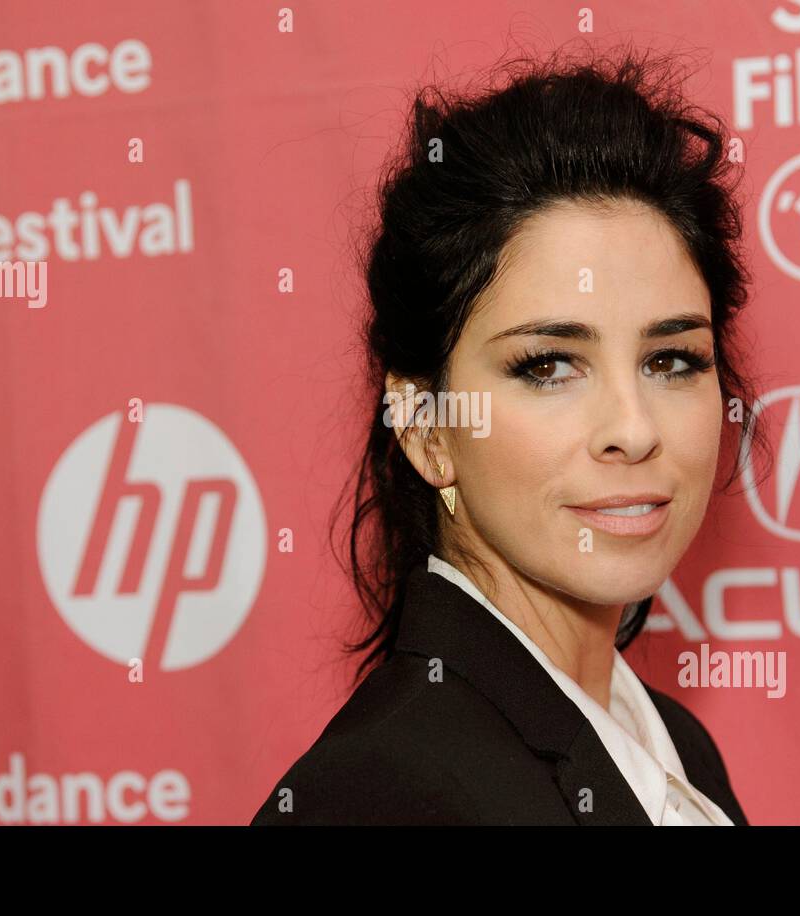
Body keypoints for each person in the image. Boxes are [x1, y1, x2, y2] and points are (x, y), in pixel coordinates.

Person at [251, 44, 772, 826]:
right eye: (549, 366)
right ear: (428, 429)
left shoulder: (675, 748)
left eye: (671, 360)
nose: (633, 429)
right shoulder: (389, 794)